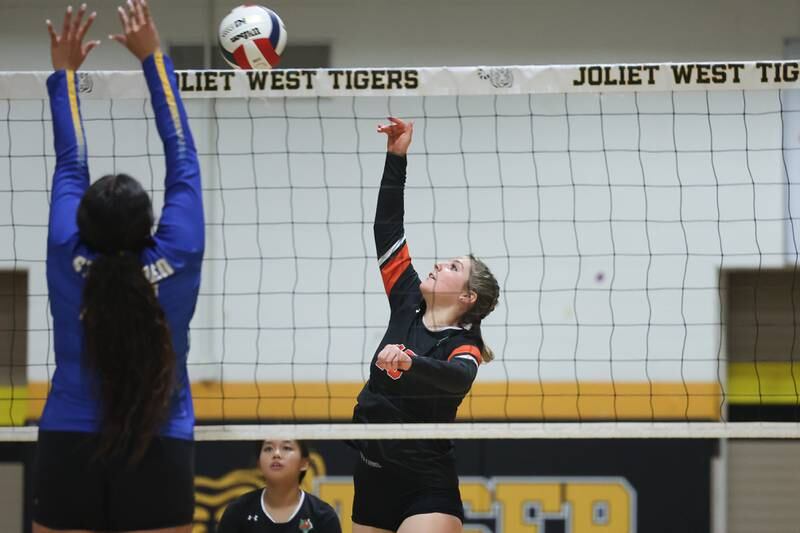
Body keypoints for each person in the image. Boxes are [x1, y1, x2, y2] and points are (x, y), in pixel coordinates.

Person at [33, 1, 204, 531]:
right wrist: (154, 59)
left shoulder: (66, 249)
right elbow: (183, 155)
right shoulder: (177, 254)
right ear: (149, 224)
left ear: (83, 223)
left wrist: (64, 75)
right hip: (160, 439)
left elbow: (70, 162)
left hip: (68, 438)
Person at [350, 117, 500, 533]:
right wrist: (396, 158)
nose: (438, 264)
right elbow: (387, 230)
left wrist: (410, 362)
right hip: (371, 474)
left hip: (425, 483)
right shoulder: (407, 300)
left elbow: (458, 377)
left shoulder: (463, 344)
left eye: (453, 267)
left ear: (467, 297)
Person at [217, 439, 342, 533]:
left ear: (304, 463)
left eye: (286, 448)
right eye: (268, 449)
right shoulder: (237, 511)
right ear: (259, 464)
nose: (276, 454)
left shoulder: (323, 516)